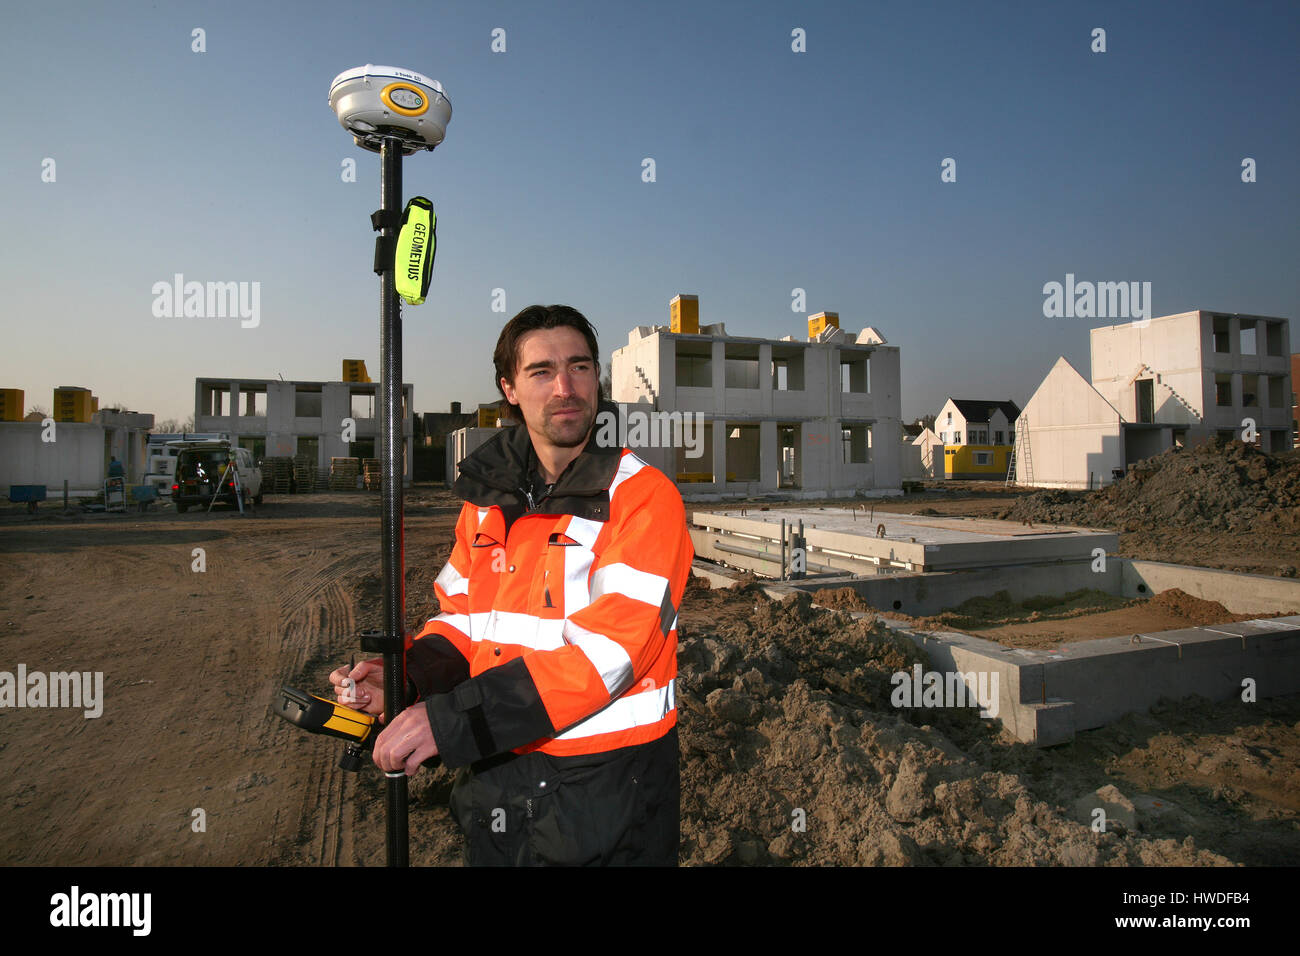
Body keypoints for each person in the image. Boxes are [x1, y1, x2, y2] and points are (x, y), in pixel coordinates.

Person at [330, 304, 694, 865]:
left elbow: (609, 655)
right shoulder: (486, 502)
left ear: (597, 378)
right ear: (510, 389)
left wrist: (455, 721)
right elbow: (463, 624)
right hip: (499, 789)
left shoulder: (642, 499)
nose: (566, 387)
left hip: (607, 800)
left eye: (579, 367)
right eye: (542, 372)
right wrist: (406, 678)